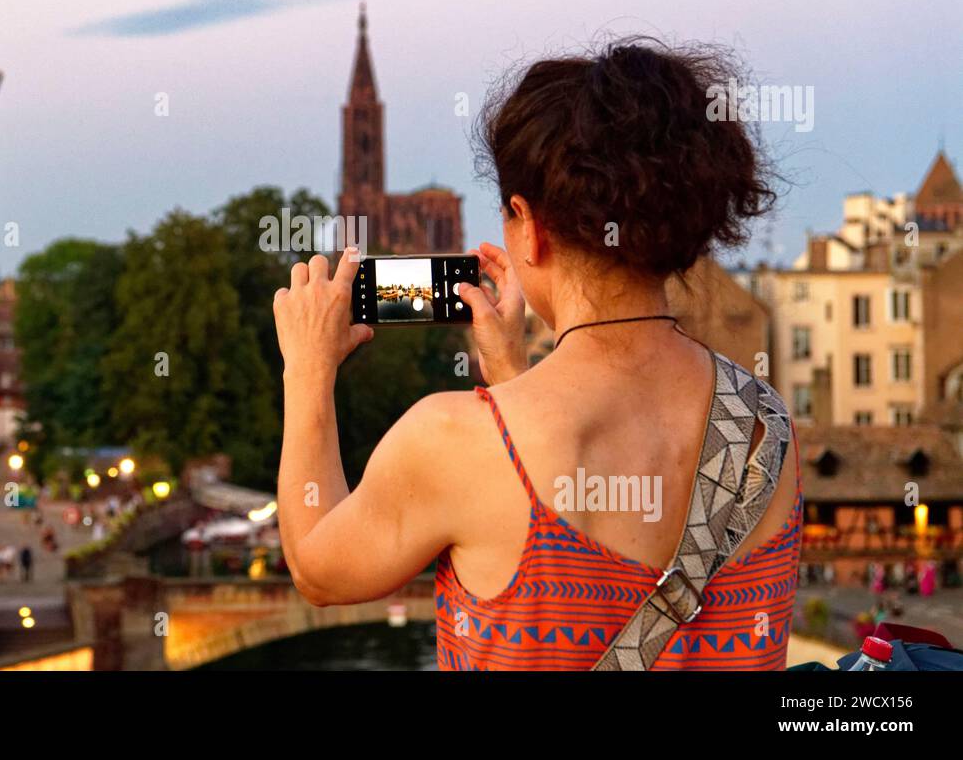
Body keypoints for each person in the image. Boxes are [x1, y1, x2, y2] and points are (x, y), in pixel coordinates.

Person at [274, 39, 801, 670]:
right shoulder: (766, 423)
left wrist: (307, 369)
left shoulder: (458, 438)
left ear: (529, 224)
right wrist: (511, 374)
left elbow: (318, 569)